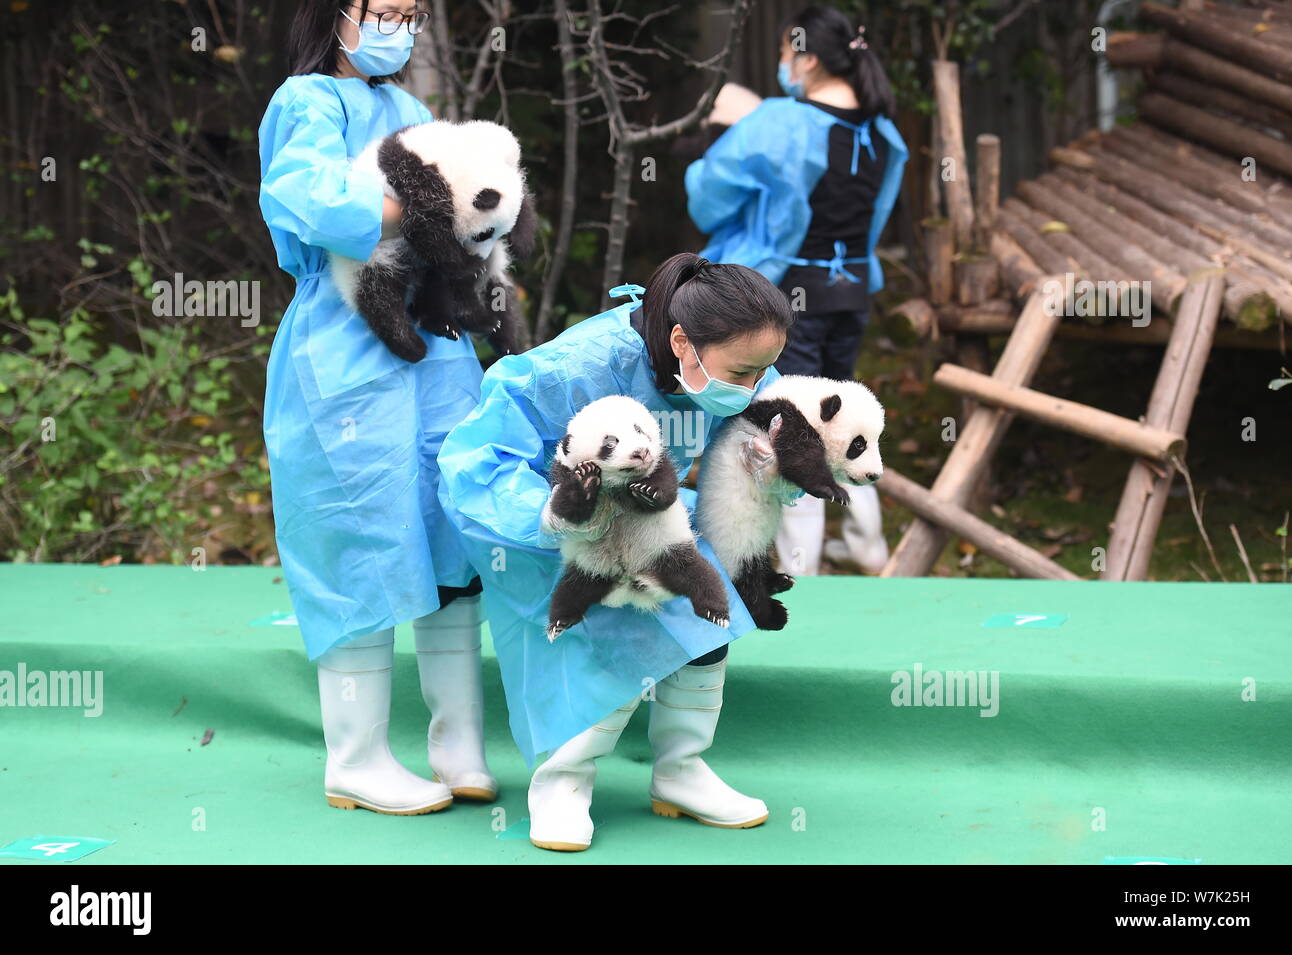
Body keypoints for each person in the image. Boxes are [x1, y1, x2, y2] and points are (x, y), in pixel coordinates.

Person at [437, 253, 793, 851]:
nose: (755, 387)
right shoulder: (579, 366)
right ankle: (562, 783)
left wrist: (777, 469)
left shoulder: (735, 363)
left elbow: (780, 425)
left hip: (653, 519)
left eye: (765, 370)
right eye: (744, 372)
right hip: (538, 526)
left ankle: (682, 770)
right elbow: (477, 460)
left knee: (708, 602)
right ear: (682, 341)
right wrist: (558, 516)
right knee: (604, 627)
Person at [257, 0, 496, 816]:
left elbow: (468, 202)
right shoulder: (308, 101)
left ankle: (456, 743)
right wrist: (433, 209)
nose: (402, 26)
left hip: (434, 336)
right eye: (386, 11)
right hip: (345, 339)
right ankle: (356, 757)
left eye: (412, 14)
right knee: (358, 533)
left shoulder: (413, 110)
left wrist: (474, 223)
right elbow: (310, 200)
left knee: (448, 524)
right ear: (338, 11)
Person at [684, 5, 908, 578]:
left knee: (794, 422)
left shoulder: (780, 121)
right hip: (850, 290)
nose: (783, 63)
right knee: (845, 413)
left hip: (787, 299)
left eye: (786, 52)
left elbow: (707, 196)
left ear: (806, 58)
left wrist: (738, 126)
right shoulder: (884, 132)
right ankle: (865, 543)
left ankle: (801, 568)